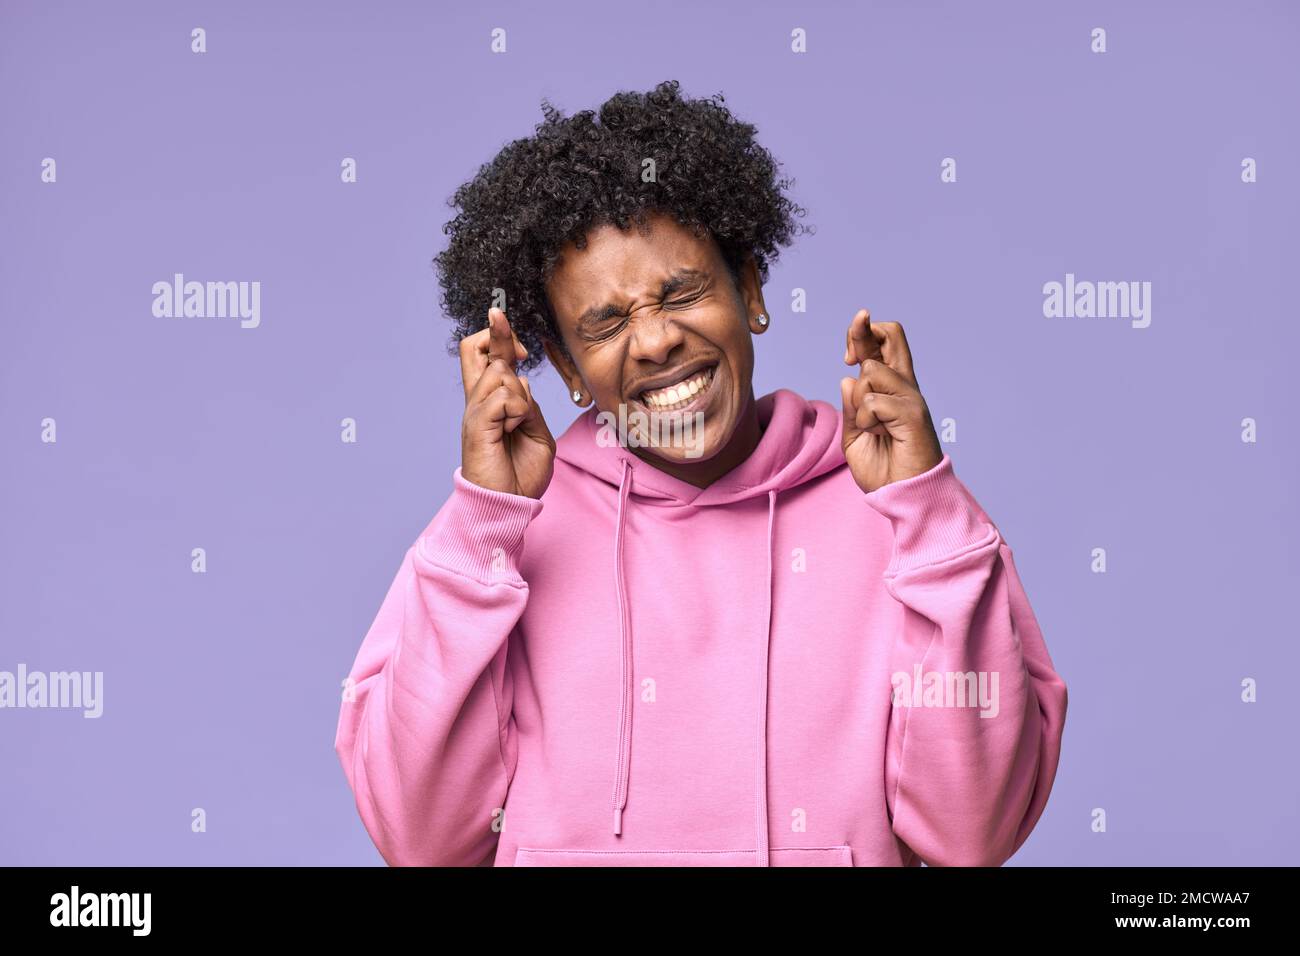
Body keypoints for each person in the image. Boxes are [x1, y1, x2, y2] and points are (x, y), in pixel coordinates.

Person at [333, 80, 1068, 867]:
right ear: (568, 368)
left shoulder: (891, 512)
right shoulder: (505, 532)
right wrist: (483, 524)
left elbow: (971, 832)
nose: (653, 343)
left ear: (749, 288)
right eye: (606, 323)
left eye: (681, 292)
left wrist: (926, 511)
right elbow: (421, 840)